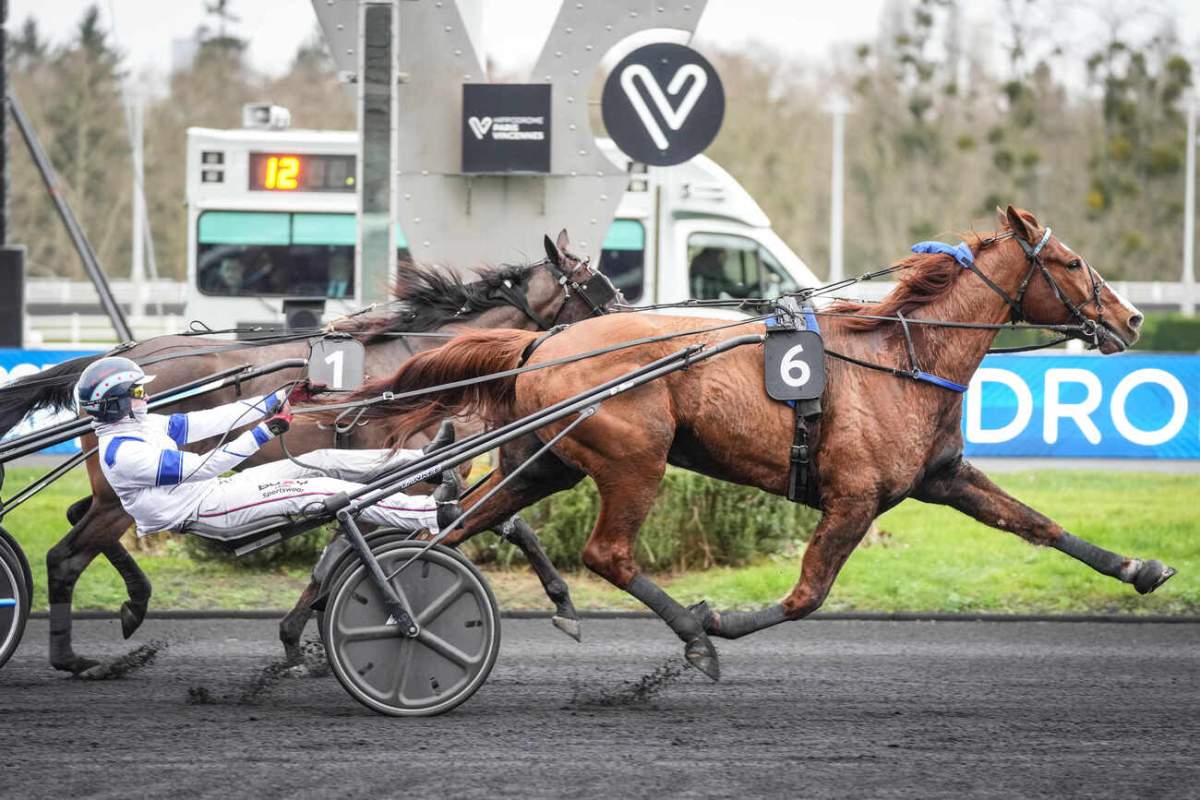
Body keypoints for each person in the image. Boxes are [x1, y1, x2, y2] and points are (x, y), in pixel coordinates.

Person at [76, 356, 459, 539]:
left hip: (215, 493)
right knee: (323, 490)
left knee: (319, 460)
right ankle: (430, 514)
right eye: (139, 391)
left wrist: (279, 397)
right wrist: (264, 432)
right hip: (211, 511)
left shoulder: (140, 425)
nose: (146, 396)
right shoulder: (125, 455)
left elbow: (211, 421)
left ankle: (425, 461)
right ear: (118, 403)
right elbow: (206, 466)